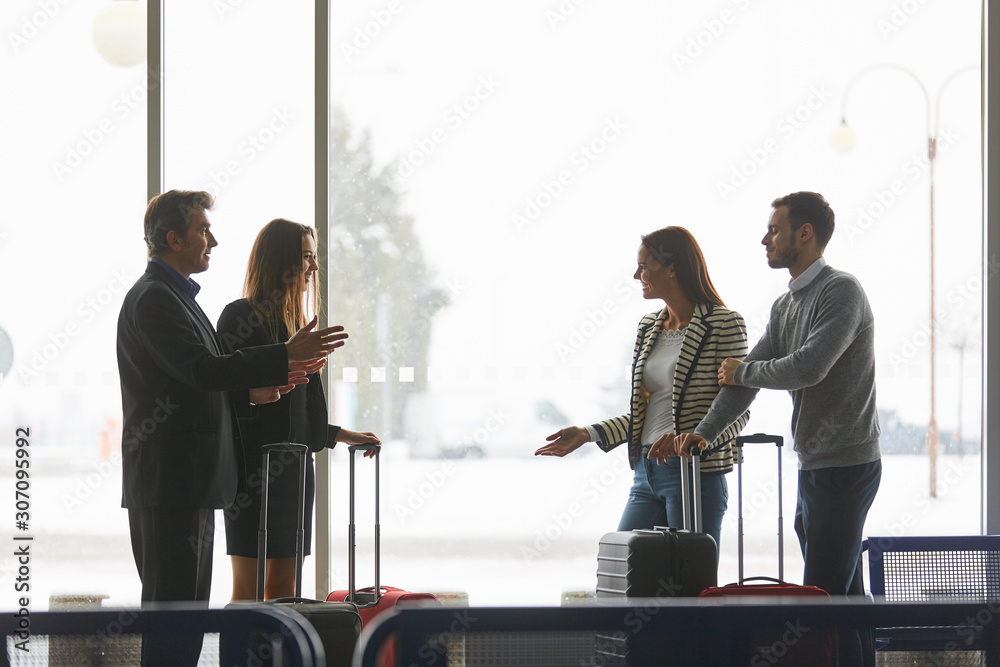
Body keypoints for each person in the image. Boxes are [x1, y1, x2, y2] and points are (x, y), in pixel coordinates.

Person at [116, 190, 346, 666]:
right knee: (173, 628)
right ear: (173, 238)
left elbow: (196, 379)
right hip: (171, 486)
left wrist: (248, 393)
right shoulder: (154, 298)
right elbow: (202, 368)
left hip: (189, 486)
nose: (213, 241)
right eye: (203, 230)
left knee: (184, 626)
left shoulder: (177, 299)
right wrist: (284, 355)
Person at [667, 192, 881, 666]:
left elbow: (808, 367)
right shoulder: (787, 305)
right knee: (842, 597)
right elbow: (753, 373)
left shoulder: (841, 291)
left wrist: (740, 371)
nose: (765, 238)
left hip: (848, 465)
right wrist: (706, 431)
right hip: (817, 465)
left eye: (775, 229)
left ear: (804, 234)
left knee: (822, 598)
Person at [535, 226, 750, 550]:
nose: (637, 275)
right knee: (625, 569)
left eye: (644, 266)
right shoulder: (648, 326)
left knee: (688, 583)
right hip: (647, 473)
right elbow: (645, 415)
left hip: (694, 473)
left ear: (673, 268)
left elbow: (739, 408)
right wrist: (588, 433)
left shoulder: (723, 323)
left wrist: (695, 437)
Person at [218, 218, 381, 601]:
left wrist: (340, 435)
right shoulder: (239, 317)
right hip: (250, 472)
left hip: (293, 472)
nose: (314, 267)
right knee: (249, 588)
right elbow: (223, 399)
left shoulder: (296, 325)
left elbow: (296, 414)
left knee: (287, 591)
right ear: (280, 261)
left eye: (314, 257)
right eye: (306, 256)